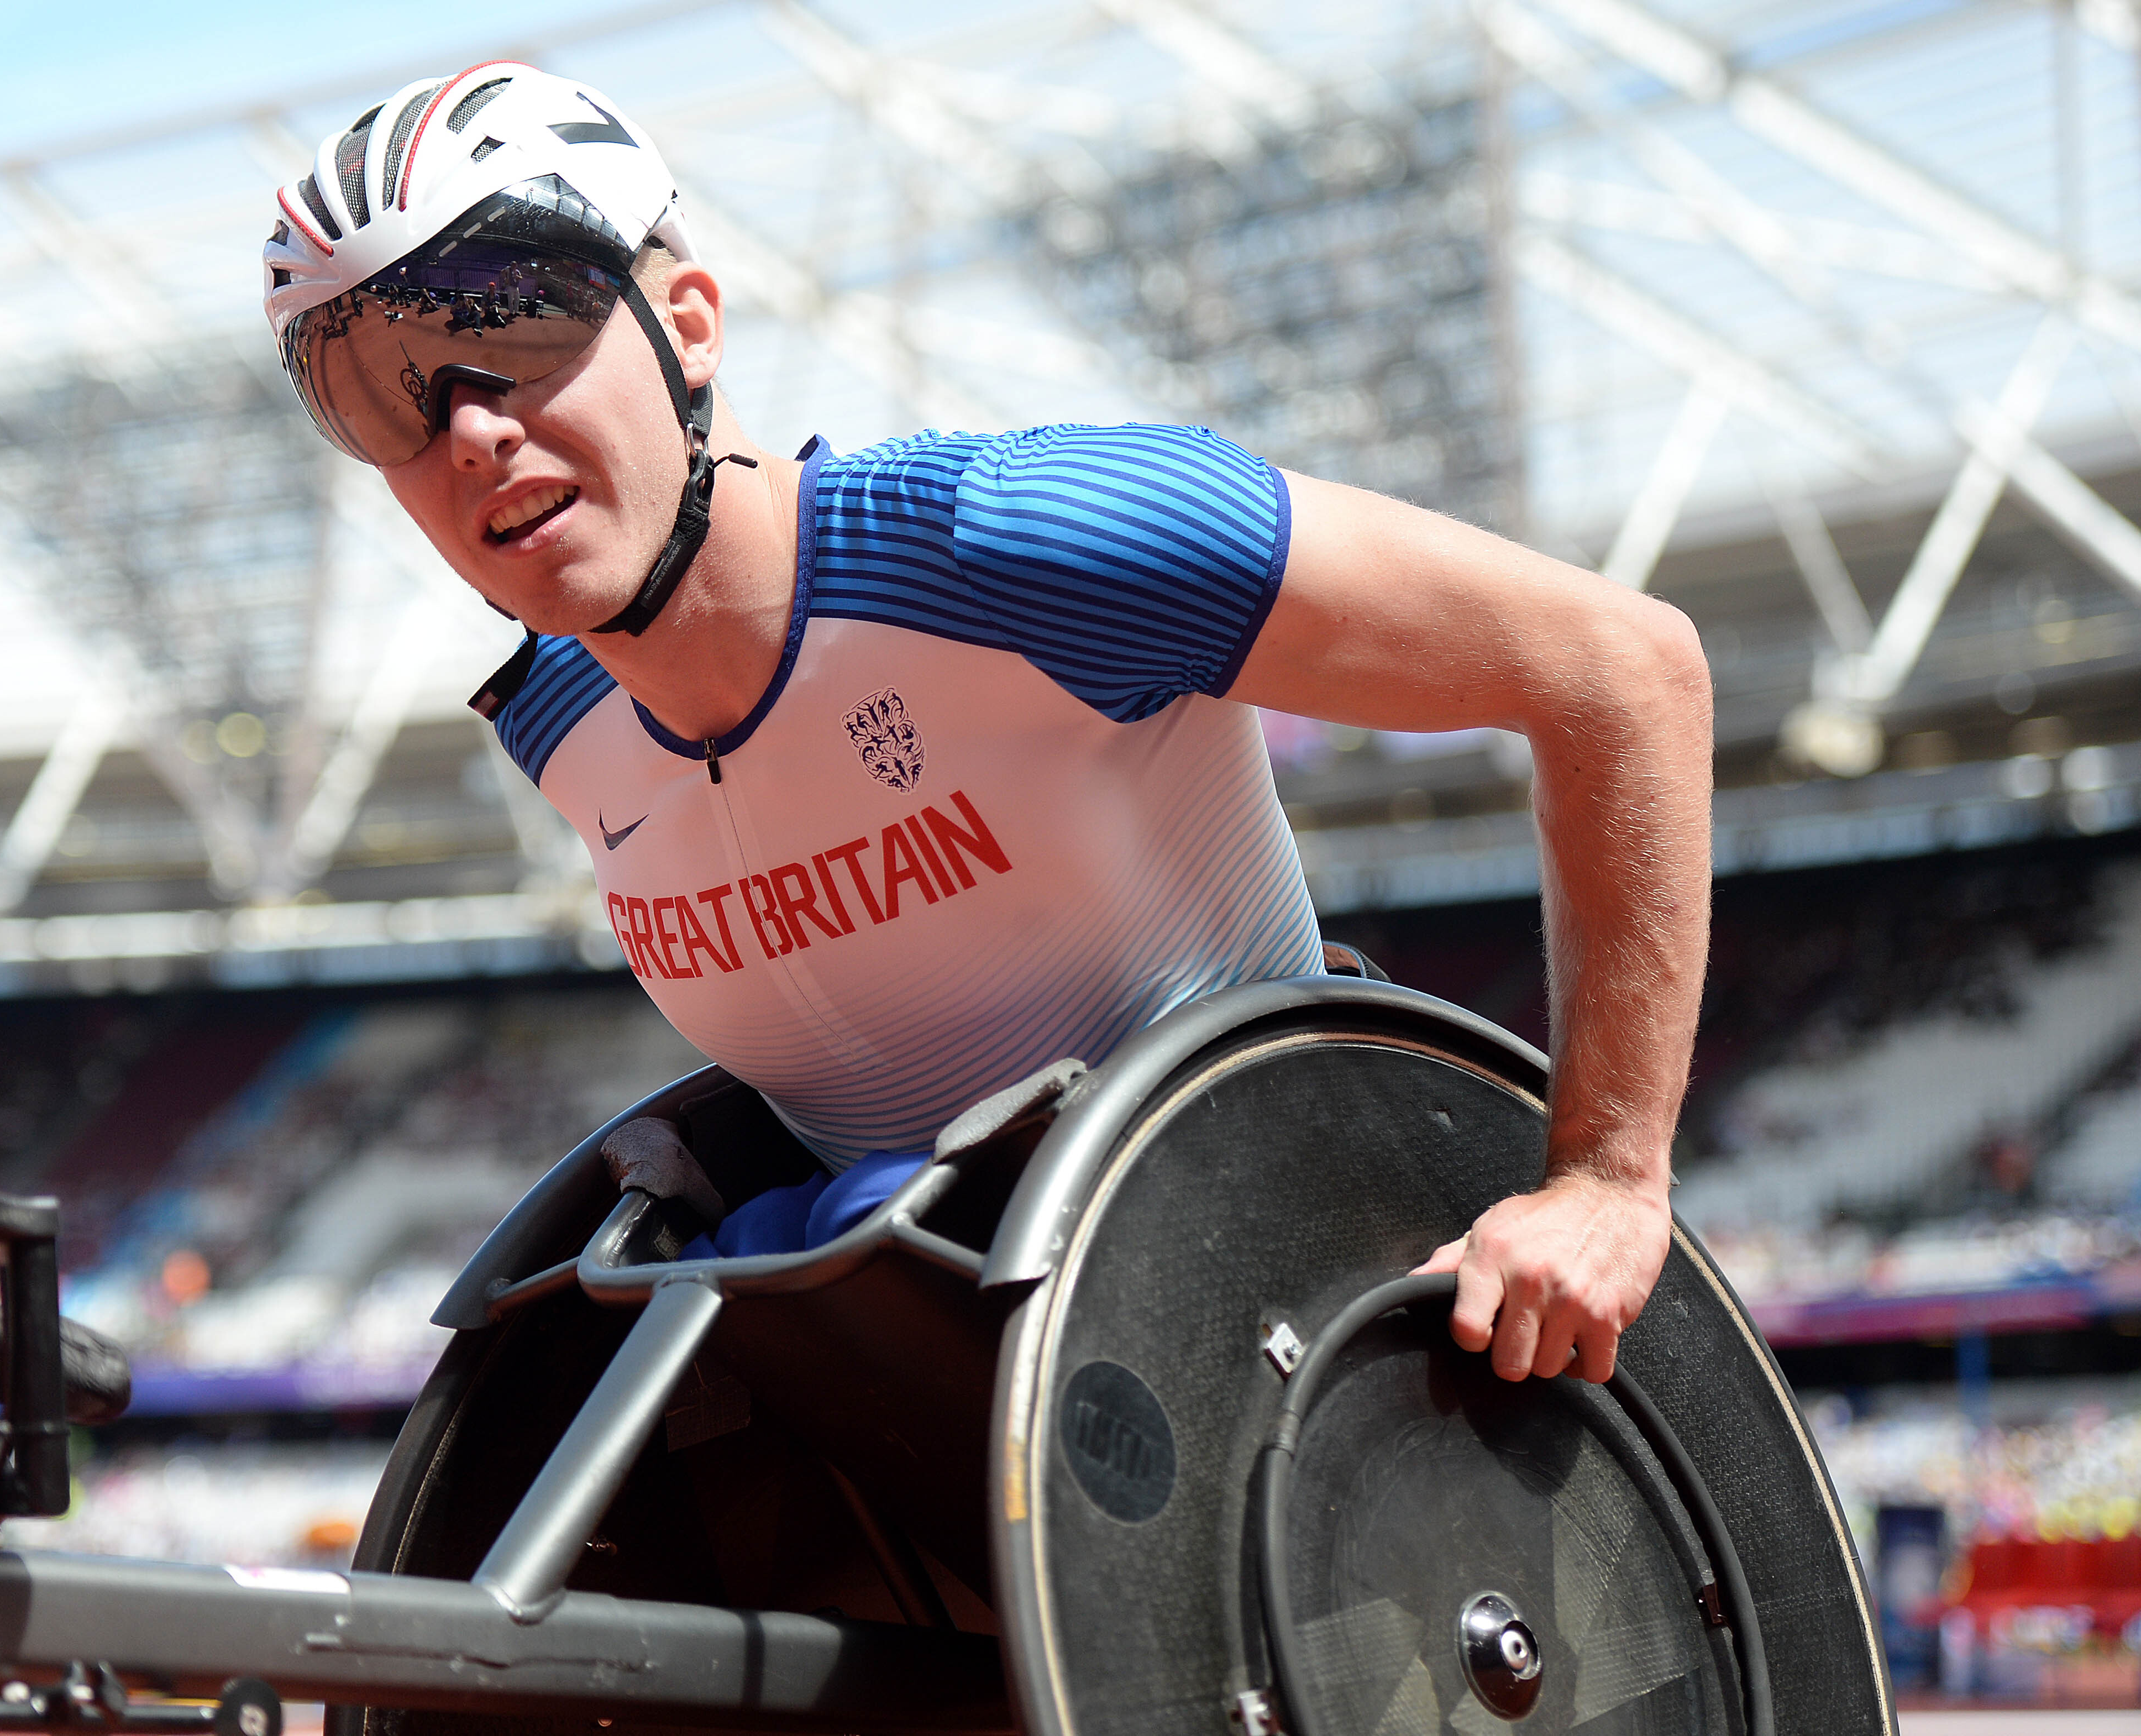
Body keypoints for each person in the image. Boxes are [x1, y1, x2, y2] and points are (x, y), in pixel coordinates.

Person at [263, 66, 1712, 1387]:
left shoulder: (1024, 544)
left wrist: (1606, 1180)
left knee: (845, 1229)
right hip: (902, 1363)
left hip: (1284, 1309)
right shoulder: (562, 721)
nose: (467, 429)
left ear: (688, 326)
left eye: (511, 329)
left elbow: (1623, 670)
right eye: (375, 393)